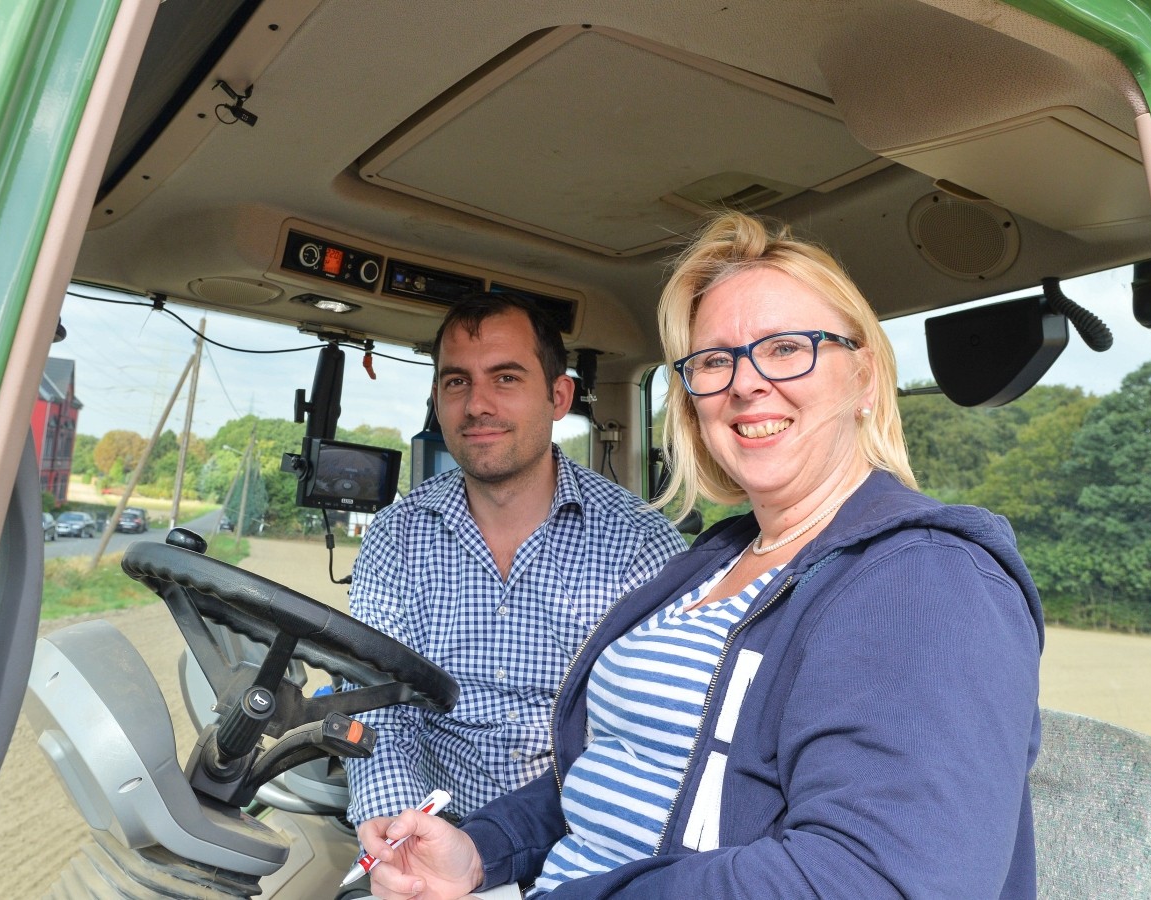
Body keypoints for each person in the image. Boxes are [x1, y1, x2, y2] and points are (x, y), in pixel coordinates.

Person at [355, 212, 1045, 900]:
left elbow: (881, 880)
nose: (745, 383)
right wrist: (480, 851)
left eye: (785, 348)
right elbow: (615, 772)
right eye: (715, 361)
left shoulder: (927, 577)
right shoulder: (710, 562)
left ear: (864, 377)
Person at [343, 293, 687, 835]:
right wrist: (397, 827)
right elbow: (377, 702)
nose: (478, 404)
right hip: (433, 827)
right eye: (457, 382)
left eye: (505, 378)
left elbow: (652, 735)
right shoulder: (396, 537)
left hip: (583, 839)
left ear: (558, 395)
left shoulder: (641, 545)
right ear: (437, 398)